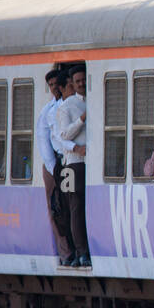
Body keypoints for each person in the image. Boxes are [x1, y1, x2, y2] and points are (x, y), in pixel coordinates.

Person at [36, 68, 74, 264]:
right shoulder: (48, 112)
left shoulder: (71, 105)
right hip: (57, 163)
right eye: (51, 85)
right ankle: (66, 252)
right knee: (58, 208)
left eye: (56, 85)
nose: (54, 89)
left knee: (70, 205)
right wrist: (54, 169)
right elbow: (44, 141)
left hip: (69, 160)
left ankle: (74, 250)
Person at [55, 65, 90, 268]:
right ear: (72, 84)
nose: (82, 83)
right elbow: (64, 136)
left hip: (91, 163)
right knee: (74, 208)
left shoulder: (96, 99)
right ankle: (80, 251)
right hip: (72, 165)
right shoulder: (66, 106)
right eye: (78, 81)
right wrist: (81, 120)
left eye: (84, 79)